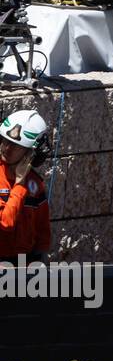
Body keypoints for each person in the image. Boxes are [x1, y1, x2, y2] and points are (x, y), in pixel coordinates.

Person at [0, 109, 51, 263]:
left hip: (24, 262)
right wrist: (20, 184)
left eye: (16, 146)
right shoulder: (22, 183)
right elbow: (5, 222)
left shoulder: (35, 184)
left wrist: (41, 257)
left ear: (30, 153)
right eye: (5, 141)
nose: (7, 148)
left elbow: (42, 227)